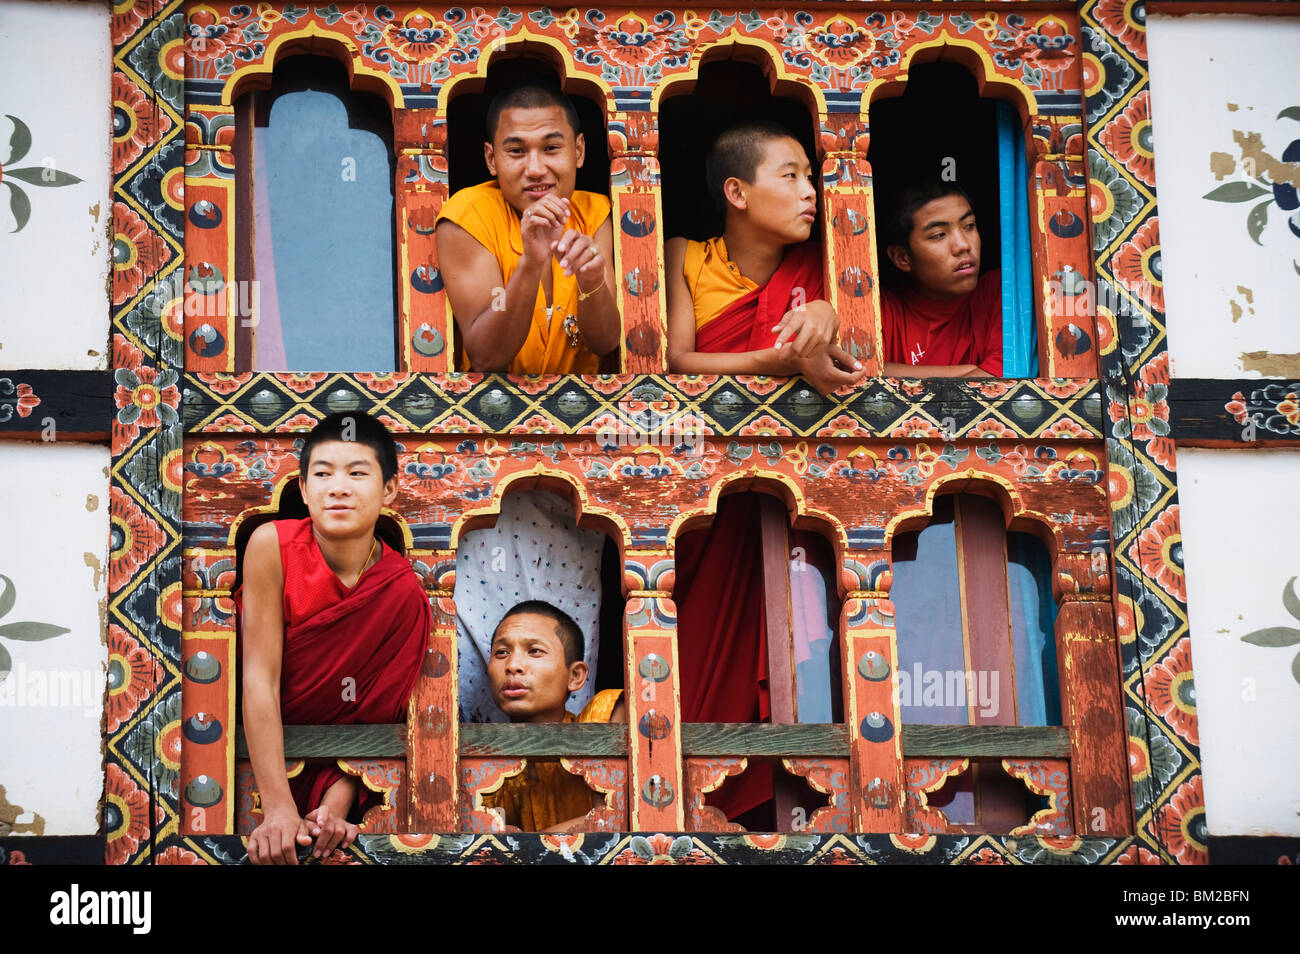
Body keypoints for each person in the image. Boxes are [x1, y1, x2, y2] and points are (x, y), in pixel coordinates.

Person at [238, 412, 430, 865]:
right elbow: (259, 680)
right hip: (262, 764)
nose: (338, 488)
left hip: (342, 776)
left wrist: (335, 806)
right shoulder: (272, 547)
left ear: (389, 489)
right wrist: (279, 808)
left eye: (357, 473)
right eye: (323, 474)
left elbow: (377, 718)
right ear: (303, 490)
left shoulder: (400, 590)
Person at [665, 120, 865, 396]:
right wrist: (781, 359)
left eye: (809, 177)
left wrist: (825, 310)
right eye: (790, 176)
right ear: (737, 193)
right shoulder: (686, 258)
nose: (810, 192)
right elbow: (677, 362)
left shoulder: (826, 265)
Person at [436, 83, 620, 373]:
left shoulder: (593, 214)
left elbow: (605, 342)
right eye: (516, 151)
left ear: (578, 151)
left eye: (551, 148)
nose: (535, 169)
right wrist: (531, 263)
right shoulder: (469, 216)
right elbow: (486, 356)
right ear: (491, 159)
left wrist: (591, 279)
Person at [479, 601, 625, 832]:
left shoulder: (605, 715)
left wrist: (524, 843)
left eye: (535, 651)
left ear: (575, 676)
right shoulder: (488, 777)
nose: (512, 665)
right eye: (502, 653)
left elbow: (615, 820)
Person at [880, 182, 1002, 377]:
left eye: (969, 226)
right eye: (939, 235)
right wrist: (972, 371)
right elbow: (860, 375)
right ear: (902, 257)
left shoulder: (1001, 292)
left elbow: (1005, 379)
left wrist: (891, 372)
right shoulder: (881, 311)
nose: (963, 245)